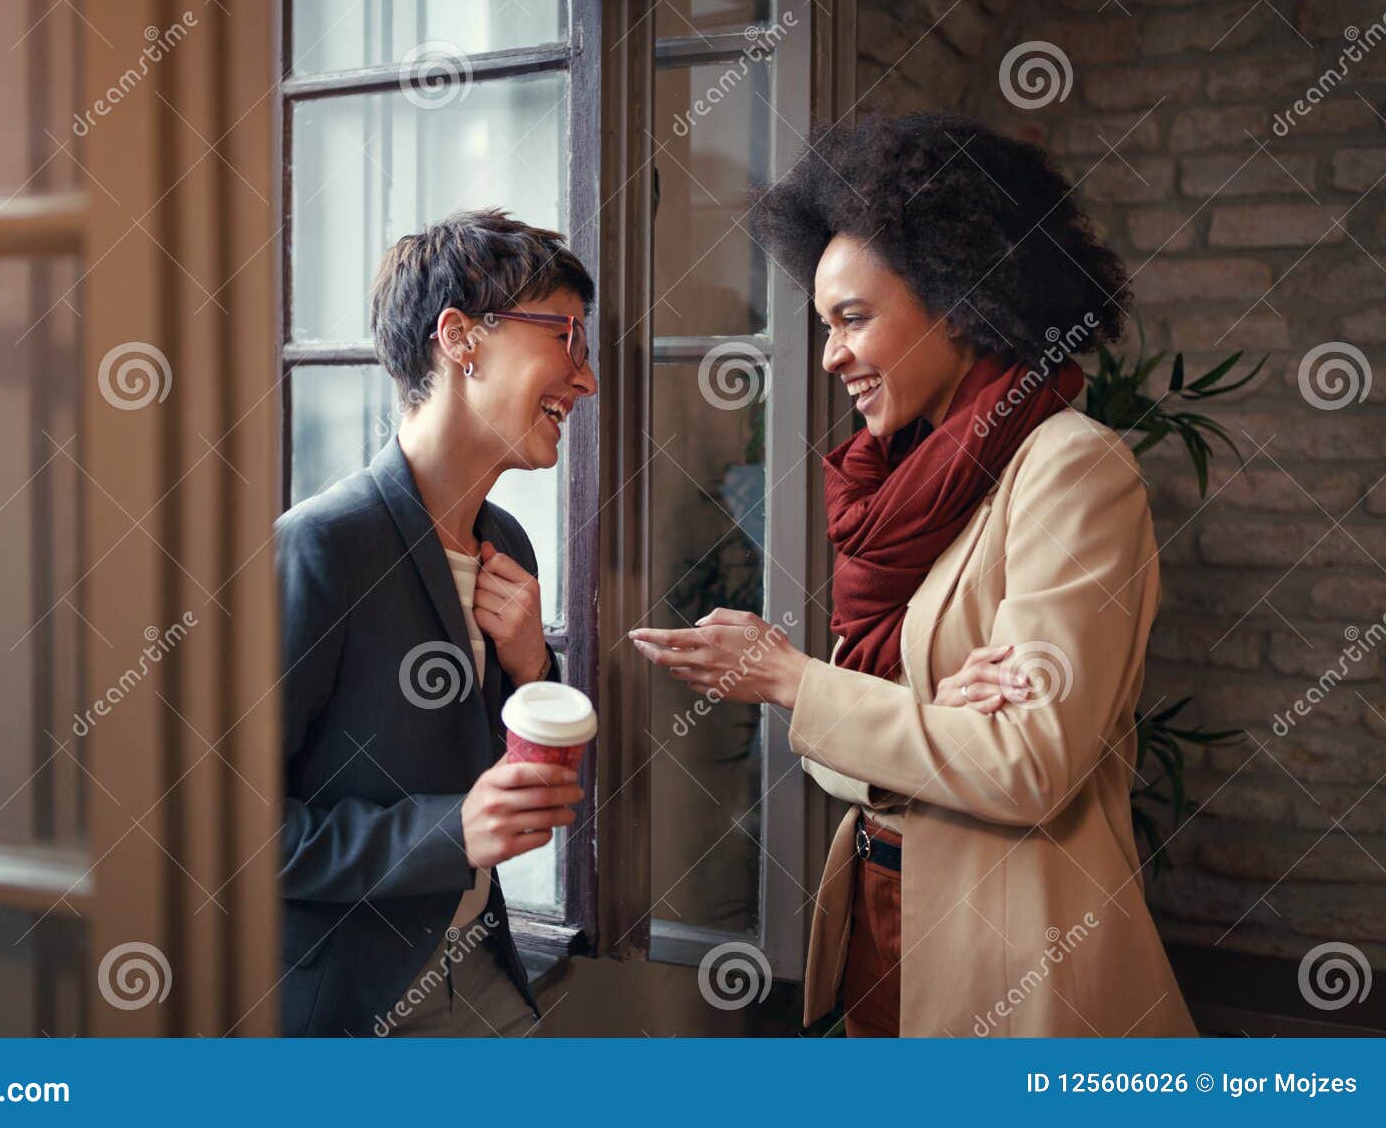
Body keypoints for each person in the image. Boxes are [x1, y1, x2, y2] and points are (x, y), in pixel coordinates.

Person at [631, 111, 1197, 1037]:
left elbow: (1026, 766)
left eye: (853, 317)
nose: (830, 355)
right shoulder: (910, 483)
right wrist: (932, 712)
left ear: (961, 299)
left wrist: (794, 678)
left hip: (1013, 964)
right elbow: (839, 750)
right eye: (825, 324)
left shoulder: (1070, 468)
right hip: (879, 929)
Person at [276, 209, 596, 1036]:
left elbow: (502, 762)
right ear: (461, 338)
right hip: (355, 1008)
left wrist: (533, 669)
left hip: (484, 976)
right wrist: (446, 832)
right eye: (566, 335)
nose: (586, 377)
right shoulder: (323, 544)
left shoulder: (508, 543)